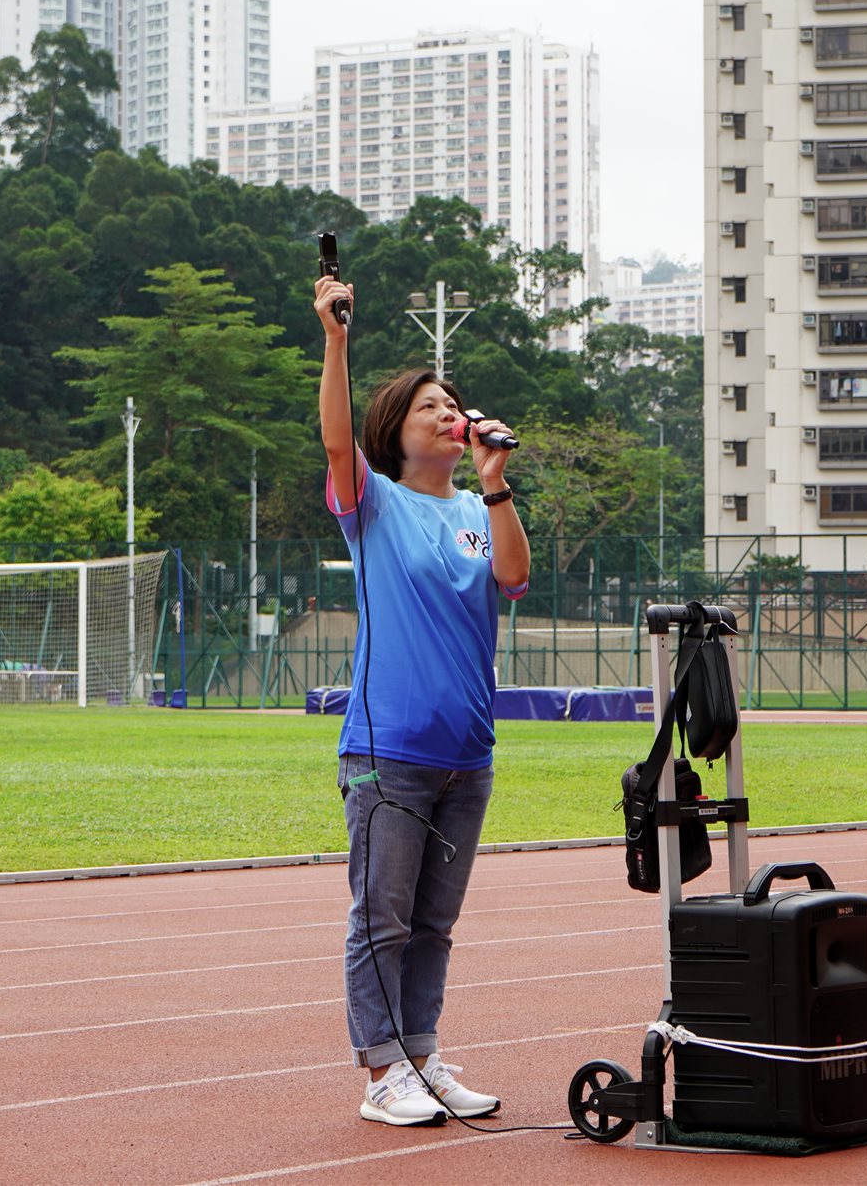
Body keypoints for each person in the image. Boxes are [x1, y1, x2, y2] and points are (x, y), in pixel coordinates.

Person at [315, 272, 531, 1128]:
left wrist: (497, 478)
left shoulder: (481, 510)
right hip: (387, 749)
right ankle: (381, 1071)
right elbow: (335, 445)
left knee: (435, 924)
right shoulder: (374, 503)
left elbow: (513, 577)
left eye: (455, 404)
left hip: (465, 756)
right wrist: (335, 337)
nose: (450, 414)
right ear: (396, 434)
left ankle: (423, 1053)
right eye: (429, 408)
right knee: (384, 919)